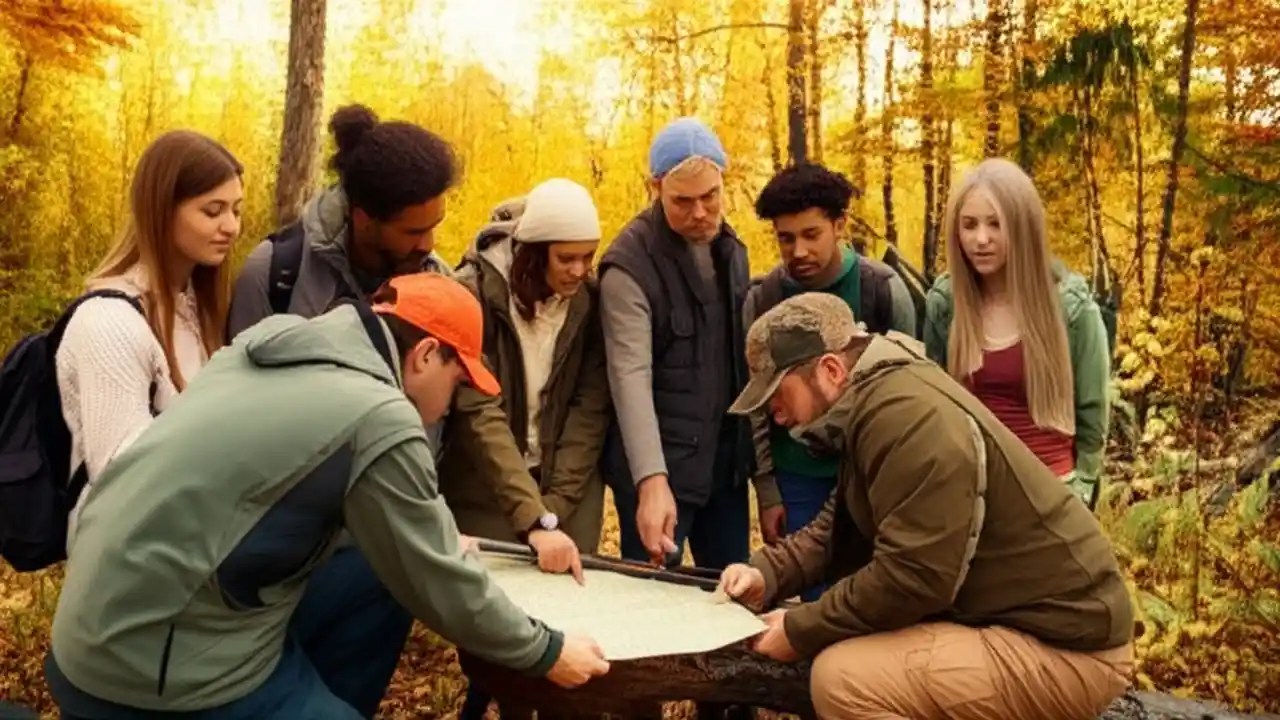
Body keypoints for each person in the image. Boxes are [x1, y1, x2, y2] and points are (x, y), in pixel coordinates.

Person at [44, 273, 611, 720]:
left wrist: (434, 535)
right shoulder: (378, 414)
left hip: (93, 632)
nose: (451, 402)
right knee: (401, 573)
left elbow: (265, 495)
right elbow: (437, 582)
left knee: (374, 571)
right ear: (424, 355)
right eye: (458, 381)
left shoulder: (264, 354)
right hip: (158, 673)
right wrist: (548, 651)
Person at [717, 292, 1134, 720]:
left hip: (1068, 648)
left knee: (842, 681)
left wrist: (800, 630)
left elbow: (913, 578)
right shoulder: (875, 399)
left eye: (778, 393)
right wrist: (766, 575)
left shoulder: (905, 417)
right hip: (1031, 626)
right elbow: (838, 529)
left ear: (829, 370)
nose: (775, 413)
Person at [443, 178, 611, 720]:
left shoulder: (588, 300)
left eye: (588, 256)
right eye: (566, 258)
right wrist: (533, 518)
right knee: (505, 614)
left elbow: (590, 404)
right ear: (532, 252)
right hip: (487, 478)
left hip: (564, 474)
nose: (579, 270)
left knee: (573, 601)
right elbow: (478, 411)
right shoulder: (472, 293)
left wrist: (555, 506)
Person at [57, 129, 242, 539]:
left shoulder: (196, 307)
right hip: (134, 562)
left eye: (236, 210)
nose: (231, 226)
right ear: (161, 211)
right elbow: (125, 478)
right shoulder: (110, 322)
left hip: (199, 536)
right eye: (213, 211)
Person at [744, 162, 917, 600]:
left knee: (875, 594)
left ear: (839, 225)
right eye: (786, 238)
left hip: (871, 472)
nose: (798, 250)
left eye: (811, 234)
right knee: (815, 596)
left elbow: (911, 390)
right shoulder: (762, 298)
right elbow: (760, 407)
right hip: (798, 476)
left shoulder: (882, 289)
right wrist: (767, 489)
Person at [596, 117, 754, 571]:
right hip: (660, 472)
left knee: (731, 600)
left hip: (723, 471)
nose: (700, 212)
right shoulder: (628, 266)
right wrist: (651, 481)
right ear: (655, 187)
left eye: (711, 196)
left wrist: (760, 478)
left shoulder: (732, 249)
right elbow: (630, 376)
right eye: (682, 202)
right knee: (652, 606)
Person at [923, 158, 1112, 508]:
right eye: (969, 225)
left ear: (1023, 227)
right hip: (973, 496)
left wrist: (1082, 490)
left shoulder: (1070, 306)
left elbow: (1093, 409)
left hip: (1051, 493)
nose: (981, 239)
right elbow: (933, 405)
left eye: (996, 224)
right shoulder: (945, 303)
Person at [226, 103, 456, 339]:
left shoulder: (442, 285)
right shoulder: (275, 275)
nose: (427, 245)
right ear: (363, 219)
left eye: (433, 227)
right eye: (413, 232)